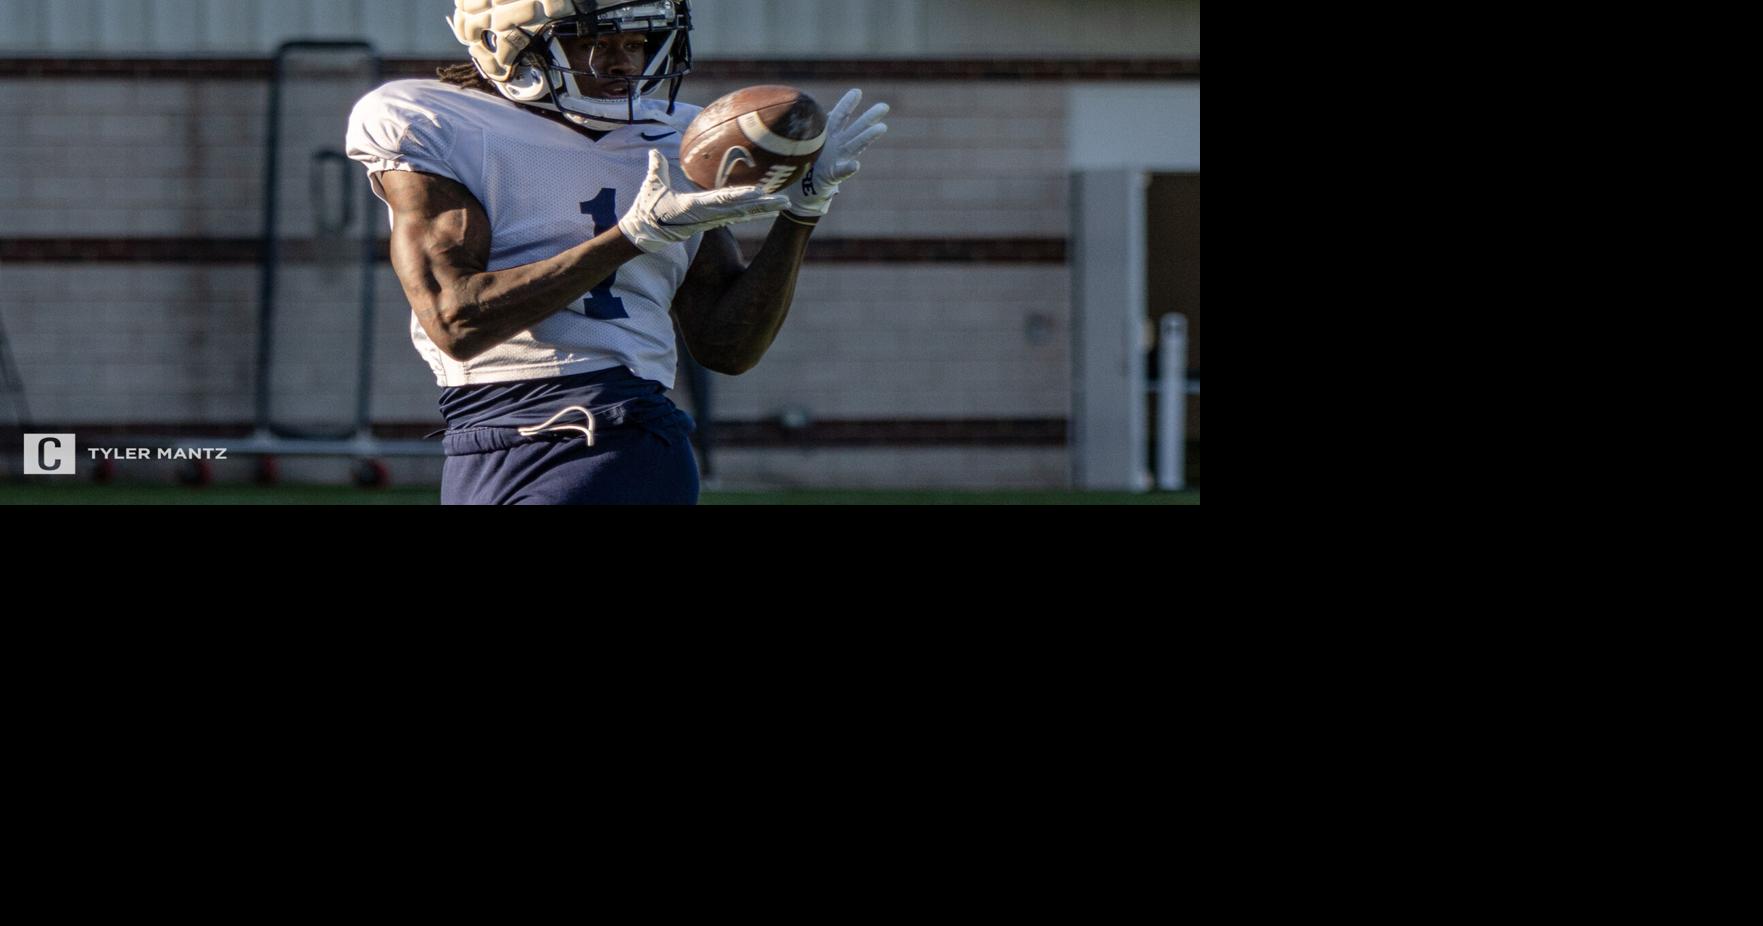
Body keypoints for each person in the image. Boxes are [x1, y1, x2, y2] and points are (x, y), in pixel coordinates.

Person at [345, 0, 888, 504]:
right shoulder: (436, 120)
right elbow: (456, 320)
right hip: (477, 434)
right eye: (596, 42)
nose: (625, 64)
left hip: (612, 430)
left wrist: (802, 213)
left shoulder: (678, 139)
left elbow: (727, 347)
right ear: (508, 44)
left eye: (637, 44)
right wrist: (632, 237)